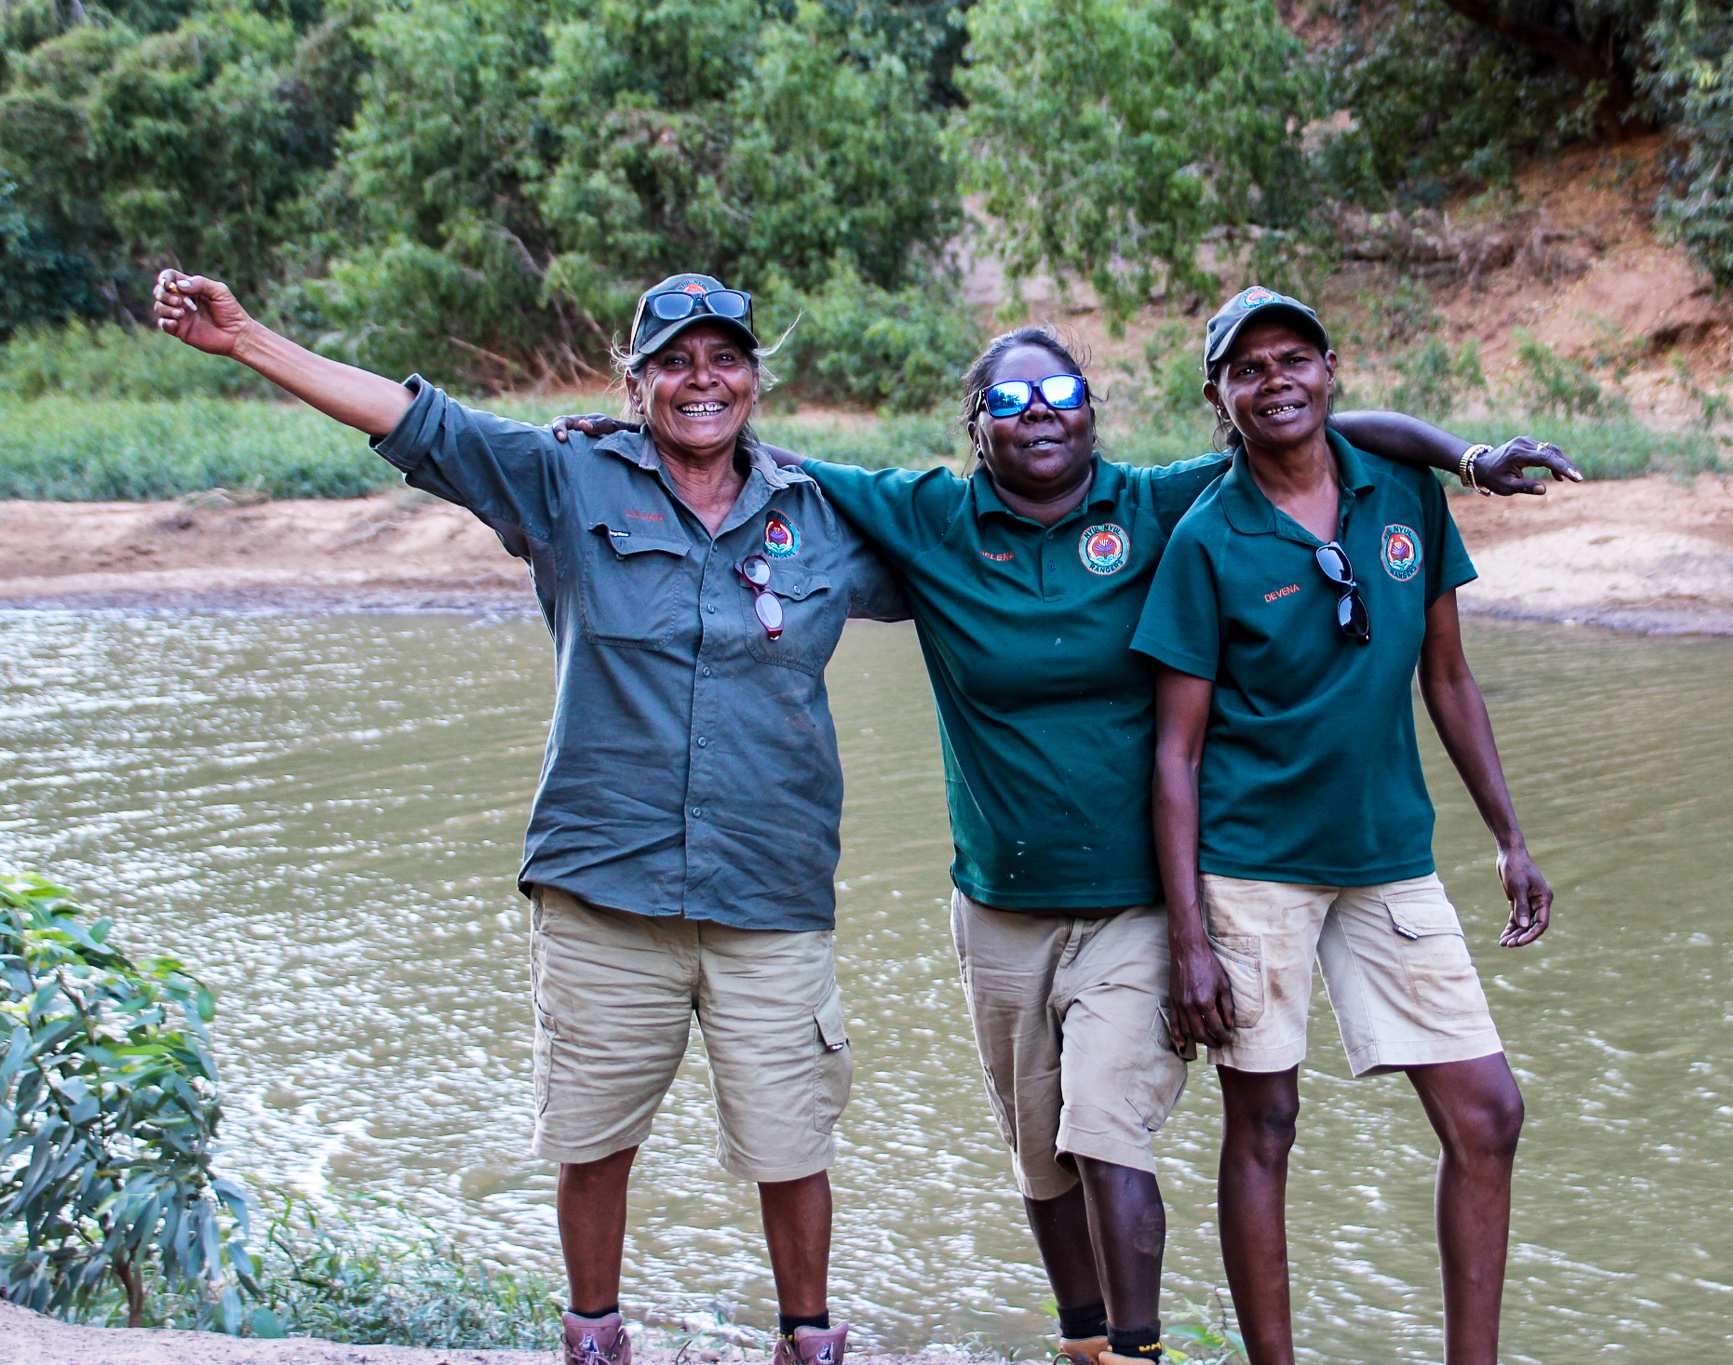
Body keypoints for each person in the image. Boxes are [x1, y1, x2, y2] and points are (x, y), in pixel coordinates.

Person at [558, 321, 1574, 1363]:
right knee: (1041, 1153)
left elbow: (1294, 426)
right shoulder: (931, 518)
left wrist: (1460, 455)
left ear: (1092, 408)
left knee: (1105, 1129)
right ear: (974, 426)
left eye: (1057, 390)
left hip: (1138, 894)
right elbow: (767, 461)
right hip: (997, 898)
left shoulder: (1156, 505)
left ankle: (1134, 1351)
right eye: (1007, 399)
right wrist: (634, 437)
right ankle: (1084, 1341)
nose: (1035, 411)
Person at [152, 267, 906, 1365]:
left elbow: (973, 556)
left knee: (793, 1146)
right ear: (636, 381)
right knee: (593, 1141)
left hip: (769, 891)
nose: (703, 380)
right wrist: (249, 339)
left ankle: (808, 1343)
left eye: (724, 357)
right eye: (674, 363)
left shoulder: (819, 511)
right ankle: (594, 1339)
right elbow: (419, 422)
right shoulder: (566, 481)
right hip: (605, 888)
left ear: (754, 374)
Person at [1135, 286, 1554, 1365]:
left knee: (1485, 1113)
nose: (1275, 381)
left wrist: (1508, 836)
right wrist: (1188, 937)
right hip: (1252, 865)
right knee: (1263, 1124)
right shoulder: (1207, 538)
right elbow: (1173, 752)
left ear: (1331, 371)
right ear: (1219, 398)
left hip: (1386, 859)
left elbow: (1448, 677)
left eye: (1294, 360)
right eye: (1247, 369)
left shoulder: (1400, 493)